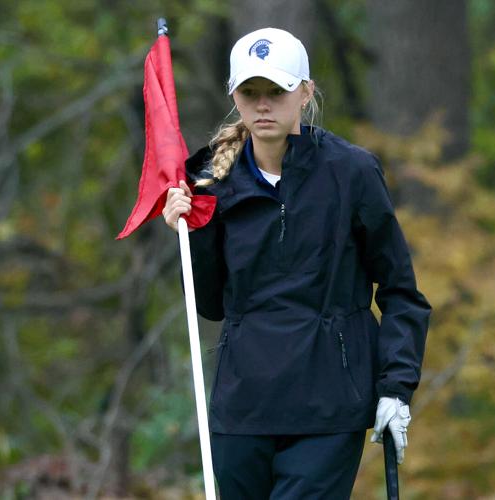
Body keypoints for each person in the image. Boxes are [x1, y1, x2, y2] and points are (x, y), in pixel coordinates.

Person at [162, 27, 430, 499]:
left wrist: (396, 387)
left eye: (277, 91)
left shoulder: (352, 171)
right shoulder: (207, 180)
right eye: (250, 93)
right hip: (242, 408)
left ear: (304, 93)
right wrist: (193, 231)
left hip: (329, 405)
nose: (263, 105)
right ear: (234, 96)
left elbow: (400, 291)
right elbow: (211, 304)